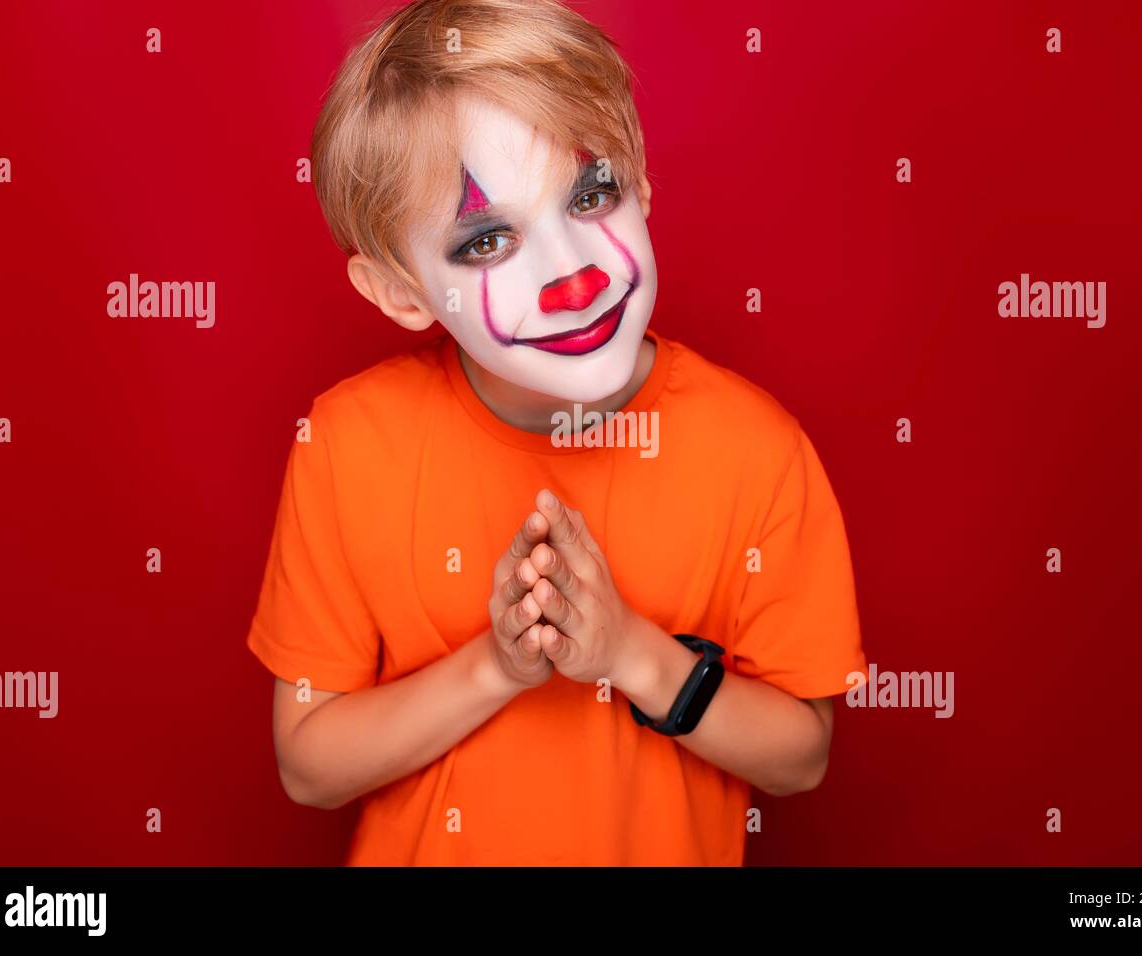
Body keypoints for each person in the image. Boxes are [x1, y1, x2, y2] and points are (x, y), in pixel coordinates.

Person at [246, 0, 867, 865]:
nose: (569, 274)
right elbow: (309, 767)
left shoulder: (757, 450)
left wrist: (628, 652)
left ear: (641, 181)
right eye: (488, 238)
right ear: (399, 292)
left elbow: (801, 758)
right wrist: (499, 667)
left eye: (591, 193)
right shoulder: (349, 445)